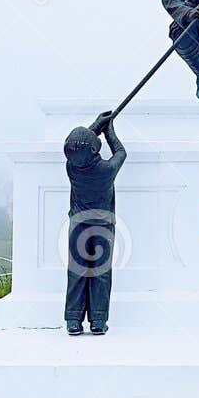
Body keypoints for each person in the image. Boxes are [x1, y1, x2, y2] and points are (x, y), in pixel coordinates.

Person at [62, 109, 125, 335]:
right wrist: (109, 130)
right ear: (94, 149)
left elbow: (79, 148)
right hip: (102, 227)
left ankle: (73, 320)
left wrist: (97, 125)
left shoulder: (71, 167)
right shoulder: (106, 170)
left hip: (77, 226)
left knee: (77, 271)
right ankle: (98, 320)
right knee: (101, 272)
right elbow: (121, 152)